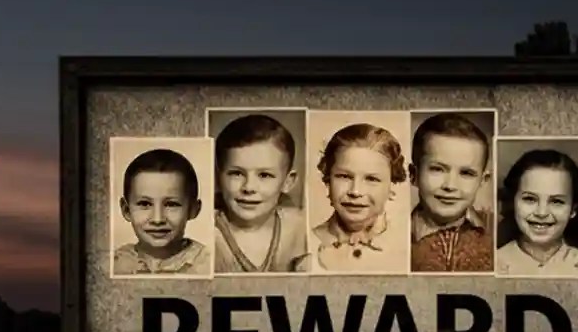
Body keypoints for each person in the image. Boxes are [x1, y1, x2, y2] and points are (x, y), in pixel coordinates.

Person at [301, 122, 408, 273]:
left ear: (392, 185)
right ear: (327, 179)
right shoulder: (302, 247)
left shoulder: (408, 249)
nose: (355, 191)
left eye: (371, 179)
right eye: (344, 176)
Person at [211, 114, 308, 273]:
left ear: (287, 182)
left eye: (264, 175)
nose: (249, 187)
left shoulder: (302, 229)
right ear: (217, 178)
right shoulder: (205, 235)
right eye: (236, 173)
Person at [408, 113, 494, 273]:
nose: (450, 186)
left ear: (483, 180)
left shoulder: (497, 235)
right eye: (437, 169)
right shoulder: (393, 236)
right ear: (414, 175)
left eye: (466, 173)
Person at [112, 147, 211, 275]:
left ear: (193, 210)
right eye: (145, 204)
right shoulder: (115, 264)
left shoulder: (206, 265)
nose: (158, 219)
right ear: (126, 210)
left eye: (171, 204)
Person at [495, 147, 578, 277]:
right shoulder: (490, 265)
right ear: (513, 202)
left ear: (573, 210)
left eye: (556, 201)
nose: (542, 213)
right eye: (530, 199)